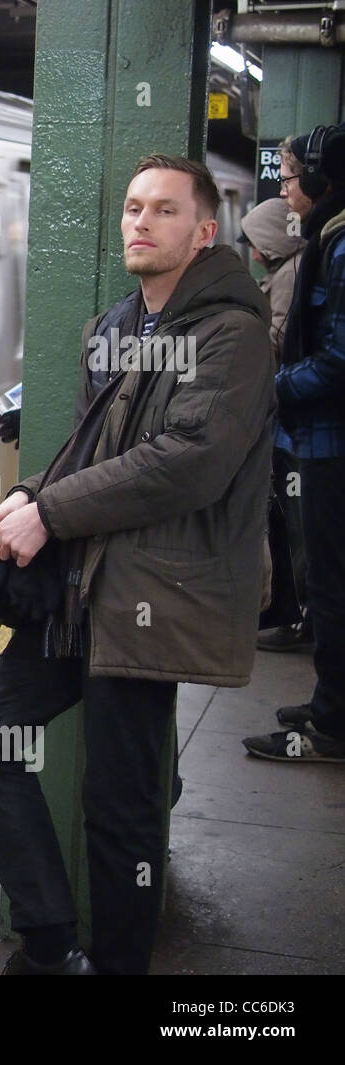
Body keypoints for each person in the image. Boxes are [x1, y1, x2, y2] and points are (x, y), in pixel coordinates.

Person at [0, 154, 274, 975]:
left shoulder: (230, 336)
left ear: (205, 232)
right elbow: (96, 445)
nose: (140, 222)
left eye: (164, 211)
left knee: (119, 808)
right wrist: (30, 493)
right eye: (133, 207)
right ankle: (53, 944)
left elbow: (188, 458)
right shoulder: (122, 323)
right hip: (85, 586)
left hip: (153, 593)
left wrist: (50, 511)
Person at [243, 125, 345, 764]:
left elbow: (338, 360)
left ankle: (331, 726)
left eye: (290, 175)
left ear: (321, 179)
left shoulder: (340, 248)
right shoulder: (327, 239)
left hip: (332, 445)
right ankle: (331, 698)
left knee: (332, 584)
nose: (284, 186)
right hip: (322, 439)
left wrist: (268, 388)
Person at [241, 191, 311, 652]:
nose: (248, 249)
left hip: (289, 425)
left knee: (292, 523)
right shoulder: (287, 273)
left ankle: (298, 615)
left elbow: (278, 341)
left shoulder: (286, 279)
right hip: (289, 423)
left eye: (252, 239)